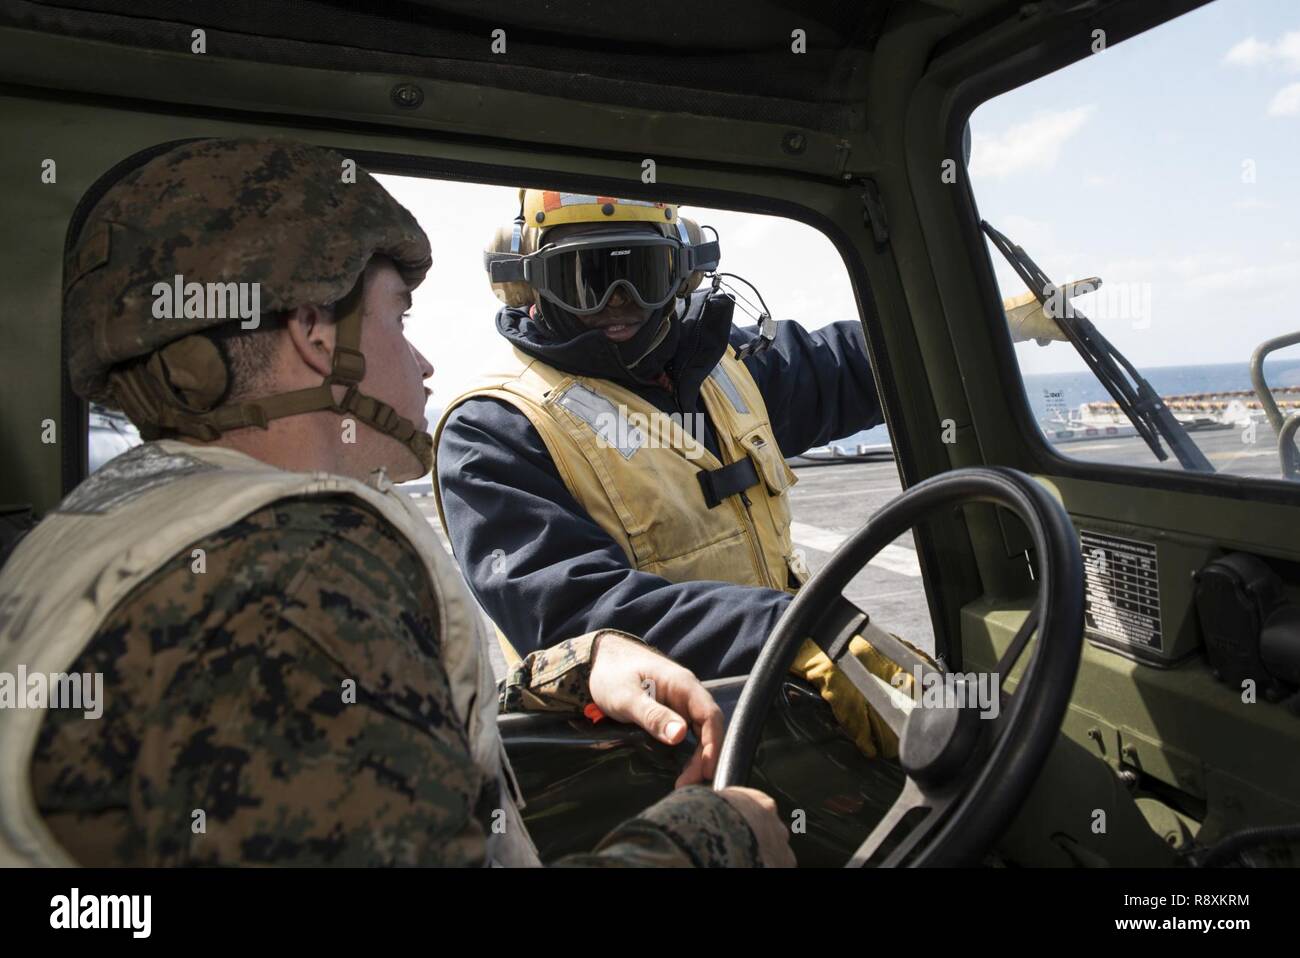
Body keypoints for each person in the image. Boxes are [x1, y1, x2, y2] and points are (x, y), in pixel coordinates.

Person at [0, 138, 793, 868]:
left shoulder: (99, 530)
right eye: (399, 318)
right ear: (315, 331)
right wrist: (716, 837)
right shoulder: (294, 567)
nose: (421, 362)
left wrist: (574, 666)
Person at [433, 189, 1068, 759]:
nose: (617, 304)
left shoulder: (728, 371)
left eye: (642, 275)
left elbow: (852, 361)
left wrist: (988, 321)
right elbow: (574, 611)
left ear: (682, 276)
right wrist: (791, 632)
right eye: (587, 277)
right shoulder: (495, 428)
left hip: (787, 700)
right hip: (640, 745)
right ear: (528, 285)